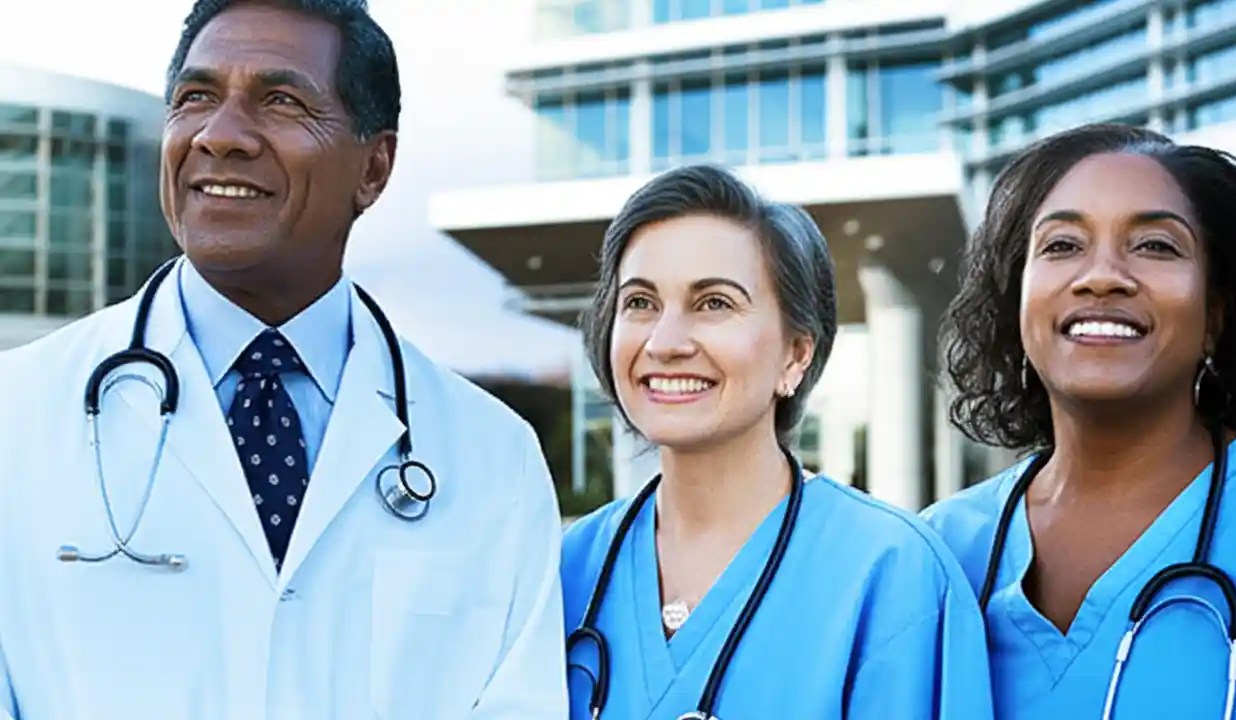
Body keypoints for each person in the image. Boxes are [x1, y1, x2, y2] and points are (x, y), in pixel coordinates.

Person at [0, 1, 567, 718]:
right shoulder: (16, 413)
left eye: (281, 101)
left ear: (374, 167)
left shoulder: (494, 458)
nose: (220, 134)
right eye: (195, 97)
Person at [560, 164, 993, 719]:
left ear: (796, 354)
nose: (665, 343)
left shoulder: (891, 572)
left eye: (714, 303)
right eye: (640, 303)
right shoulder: (572, 567)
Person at [924, 123, 1236, 719]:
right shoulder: (938, 552)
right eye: (1062, 245)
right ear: (1017, 303)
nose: (1102, 276)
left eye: (1156, 246)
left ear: (1215, 316)